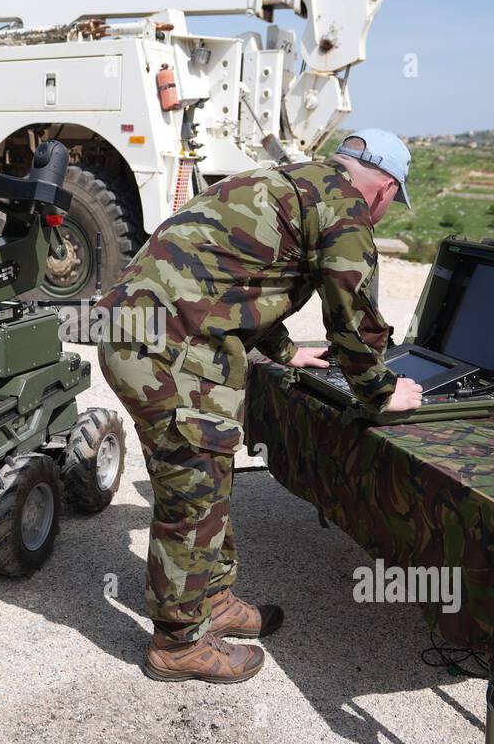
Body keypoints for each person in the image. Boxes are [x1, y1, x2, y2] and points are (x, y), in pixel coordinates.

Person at [97, 129, 424, 684]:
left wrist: (286, 351)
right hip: (168, 348)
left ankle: (215, 600)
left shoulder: (290, 181)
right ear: (385, 189)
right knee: (192, 490)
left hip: (154, 332)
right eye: (392, 200)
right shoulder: (345, 208)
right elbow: (352, 312)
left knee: (211, 470)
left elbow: (240, 277)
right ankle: (177, 642)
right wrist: (381, 391)